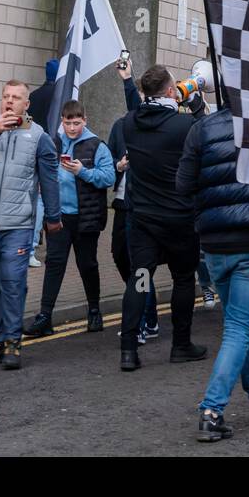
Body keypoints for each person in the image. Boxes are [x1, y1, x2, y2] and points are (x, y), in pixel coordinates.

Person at [175, 95, 249, 441]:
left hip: (215, 242)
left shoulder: (202, 128)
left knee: (237, 325)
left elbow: (183, 186)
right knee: (239, 328)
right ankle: (212, 411)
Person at [0, 79, 61, 370]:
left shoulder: (39, 136)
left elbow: (49, 179)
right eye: (6, 96)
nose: (9, 101)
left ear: (26, 104)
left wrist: (53, 217)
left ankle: (12, 342)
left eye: (16, 97)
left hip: (17, 225)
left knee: (13, 283)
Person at [117, 66, 206, 371]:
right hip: (180, 218)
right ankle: (180, 345)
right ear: (171, 91)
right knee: (183, 279)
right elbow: (207, 144)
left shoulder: (129, 123)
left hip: (143, 218)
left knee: (140, 280)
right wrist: (196, 107)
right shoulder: (185, 125)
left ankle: (128, 350)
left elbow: (136, 109)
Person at [24, 100, 116, 338]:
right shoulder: (52, 143)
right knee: (54, 264)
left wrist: (81, 171)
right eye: (68, 122)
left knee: (87, 264)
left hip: (86, 217)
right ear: (62, 121)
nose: (72, 128)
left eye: (77, 123)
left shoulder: (97, 146)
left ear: (85, 120)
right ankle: (45, 316)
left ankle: (94, 310)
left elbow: (108, 178)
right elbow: (39, 171)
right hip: (59, 216)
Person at [107, 61, 159, 341]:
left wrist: (127, 80)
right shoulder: (120, 126)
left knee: (141, 265)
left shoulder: (152, 125)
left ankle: (142, 321)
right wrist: (118, 166)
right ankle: (143, 306)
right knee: (120, 256)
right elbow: (109, 160)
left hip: (143, 205)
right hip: (122, 203)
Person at [26, 58, 60, 268]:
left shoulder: (34, 96)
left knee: (36, 199)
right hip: (50, 152)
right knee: (47, 199)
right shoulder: (60, 96)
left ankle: (33, 241)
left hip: (32, 149)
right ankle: (44, 245)